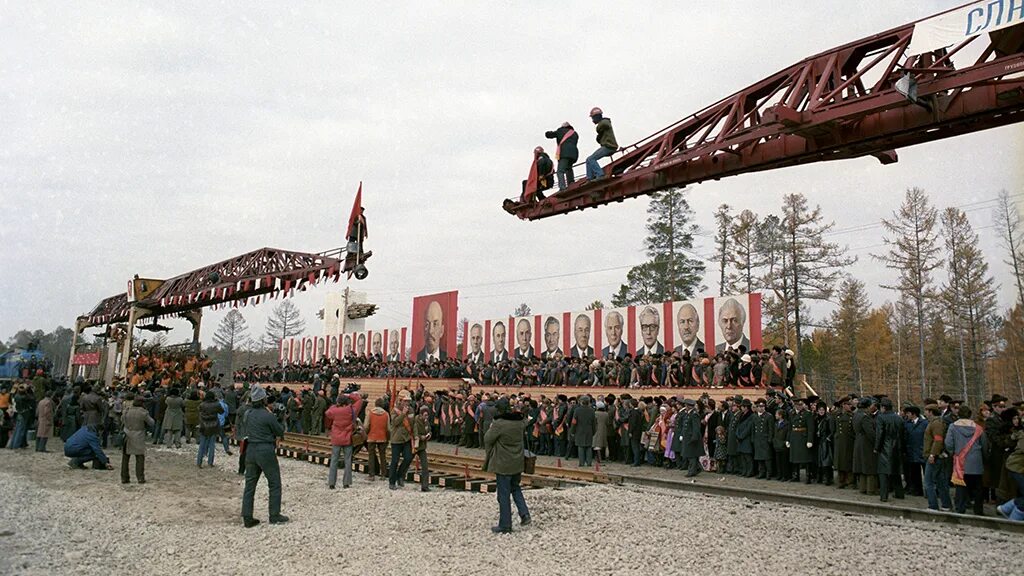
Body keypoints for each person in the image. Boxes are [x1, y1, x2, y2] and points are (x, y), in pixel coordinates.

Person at [241, 385, 288, 527]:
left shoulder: (247, 414)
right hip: (265, 450)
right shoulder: (267, 415)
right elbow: (279, 431)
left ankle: (247, 517)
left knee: (250, 485)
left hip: (251, 450)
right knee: (274, 483)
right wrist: (280, 419)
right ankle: (274, 514)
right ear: (263, 400)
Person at [484, 397, 531, 534]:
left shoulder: (499, 424)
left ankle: (505, 525)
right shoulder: (519, 422)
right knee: (515, 488)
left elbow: (488, 439)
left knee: (503, 495)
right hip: (517, 462)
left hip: (503, 463)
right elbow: (525, 422)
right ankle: (524, 514)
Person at [945, 405, 986, 515]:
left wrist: (954, 453)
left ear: (959, 414)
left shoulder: (953, 427)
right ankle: (978, 510)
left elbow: (948, 444)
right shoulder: (978, 428)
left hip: (960, 461)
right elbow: (985, 446)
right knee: (978, 488)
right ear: (970, 415)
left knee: (961, 487)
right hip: (976, 461)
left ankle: (960, 508)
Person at [324, 391, 364, 489]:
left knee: (334, 461)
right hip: (347, 438)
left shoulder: (334, 411)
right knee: (348, 461)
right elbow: (359, 400)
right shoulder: (351, 410)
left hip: (336, 439)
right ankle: (346, 483)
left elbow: (327, 412)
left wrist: (335, 405)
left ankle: (331, 483)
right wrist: (349, 395)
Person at [923, 403, 953, 511]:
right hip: (939, 456)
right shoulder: (937, 422)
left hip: (935, 457)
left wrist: (932, 454)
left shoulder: (936, 424)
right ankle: (946, 505)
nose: (925, 413)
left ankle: (933, 505)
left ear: (931, 412)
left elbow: (938, 440)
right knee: (941, 482)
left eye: (926, 410)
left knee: (928, 482)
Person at [874, 398, 905, 502]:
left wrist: (876, 448)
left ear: (883, 407)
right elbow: (902, 434)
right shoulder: (899, 418)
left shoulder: (881, 418)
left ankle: (884, 495)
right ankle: (900, 493)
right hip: (897, 447)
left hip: (885, 448)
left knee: (883, 473)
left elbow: (880, 434)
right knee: (896, 471)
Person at [121, 394, 154, 484]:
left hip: (127, 434)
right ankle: (140, 477)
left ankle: (124, 477)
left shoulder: (127, 411)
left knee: (125, 458)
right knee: (139, 457)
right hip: (138, 435)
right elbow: (151, 423)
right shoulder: (143, 412)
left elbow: (122, 420)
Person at [388, 396, 414, 489]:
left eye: (408, 401)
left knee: (408, 457)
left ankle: (400, 476)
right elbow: (395, 422)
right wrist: (403, 414)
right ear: (400, 401)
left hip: (406, 438)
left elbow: (412, 423)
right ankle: (392, 482)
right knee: (395, 461)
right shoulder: (394, 410)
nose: (407, 403)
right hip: (396, 439)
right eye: (405, 401)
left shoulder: (411, 410)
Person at [585, 107, 617, 181]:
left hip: (609, 147)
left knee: (591, 159)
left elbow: (604, 124)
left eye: (593, 117)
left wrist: (598, 131)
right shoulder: (603, 125)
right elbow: (599, 139)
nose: (592, 120)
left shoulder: (605, 122)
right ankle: (589, 178)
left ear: (596, 116)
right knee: (588, 160)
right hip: (607, 146)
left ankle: (600, 174)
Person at [545, 121, 579, 191]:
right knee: (569, 168)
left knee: (560, 171)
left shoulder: (560, 131)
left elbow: (549, 135)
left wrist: (547, 132)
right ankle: (571, 184)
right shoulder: (575, 134)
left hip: (564, 153)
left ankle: (562, 187)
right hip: (574, 154)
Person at [197, 390, 224, 468]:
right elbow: (222, 412)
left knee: (202, 444)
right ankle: (210, 462)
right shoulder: (217, 404)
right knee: (212, 445)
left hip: (204, 425)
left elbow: (199, 410)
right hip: (214, 425)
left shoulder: (202, 405)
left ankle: (199, 462)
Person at [365, 398, 390, 481]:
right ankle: (383, 474)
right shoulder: (386, 414)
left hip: (371, 437)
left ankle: (371, 475)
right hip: (382, 437)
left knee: (371, 456)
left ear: (375, 404)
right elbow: (388, 429)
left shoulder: (370, 413)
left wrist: (366, 433)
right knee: (382, 456)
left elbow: (366, 426)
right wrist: (388, 438)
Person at [679, 398, 704, 477]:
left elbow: (696, 427)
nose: (685, 407)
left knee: (691, 455)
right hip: (687, 437)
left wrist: (694, 437)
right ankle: (697, 468)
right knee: (690, 454)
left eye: (686, 405)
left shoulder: (694, 415)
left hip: (692, 438)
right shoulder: (688, 414)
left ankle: (692, 471)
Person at [414, 404, 432, 492]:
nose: (426, 417)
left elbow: (429, 430)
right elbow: (414, 433)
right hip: (414, 446)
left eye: (427, 415)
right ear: (421, 415)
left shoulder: (426, 422)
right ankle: (398, 478)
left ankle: (425, 486)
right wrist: (421, 437)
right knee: (406, 461)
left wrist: (429, 435)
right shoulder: (415, 421)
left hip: (422, 447)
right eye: (425, 415)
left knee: (425, 466)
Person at [574, 395, 596, 467]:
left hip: (579, 430)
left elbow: (574, 422)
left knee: (581, 447)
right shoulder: (592, 410)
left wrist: (572, 431)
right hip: (589, 430)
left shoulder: (577, 410)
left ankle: (581, 462)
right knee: (589, 447)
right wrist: (594, 431)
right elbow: (594, 422)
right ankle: (589, 462)